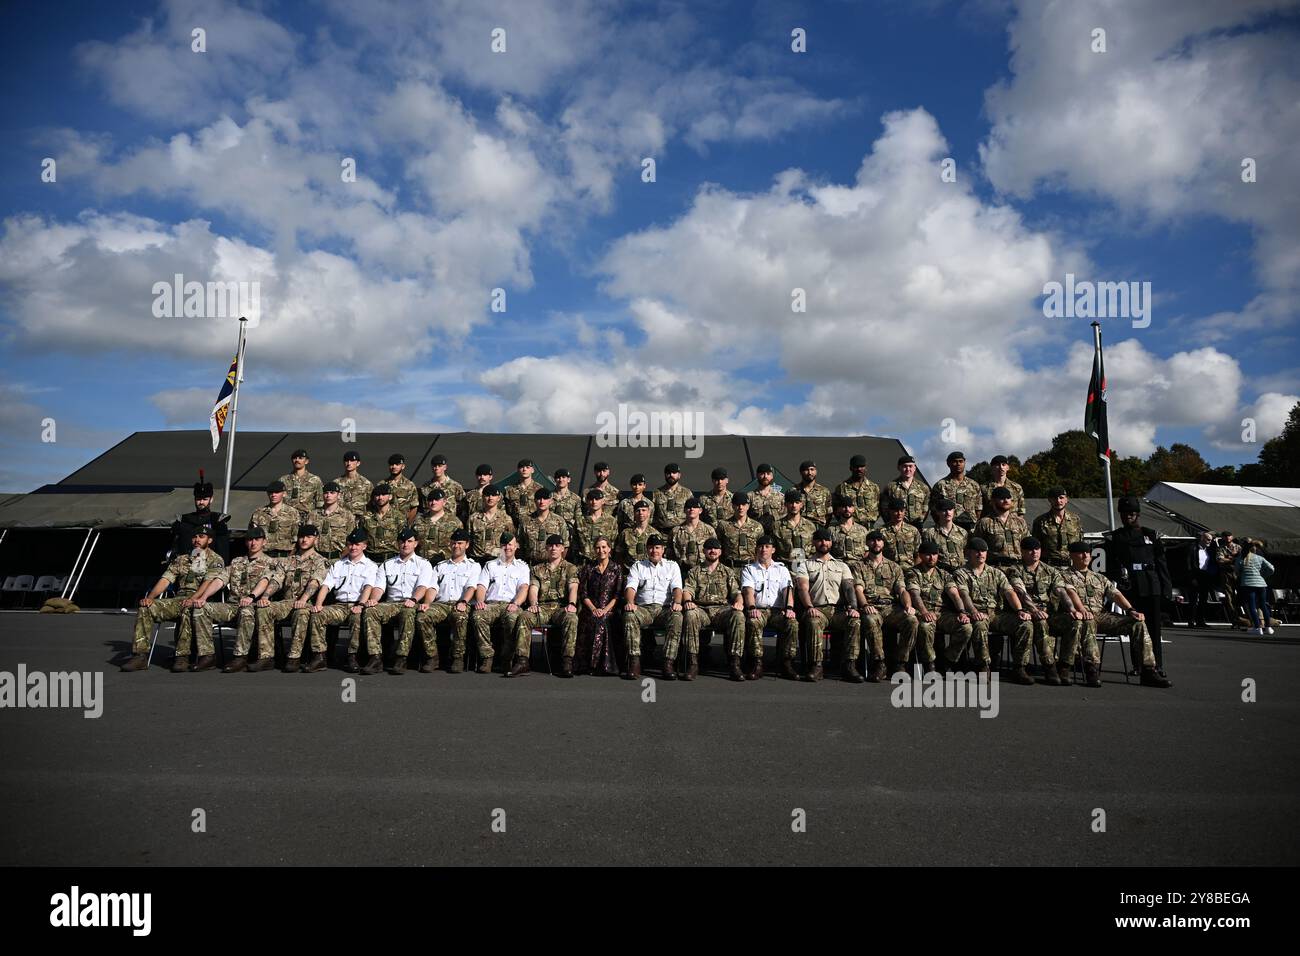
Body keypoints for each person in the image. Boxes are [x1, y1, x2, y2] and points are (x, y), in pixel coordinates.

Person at [1061, 541, 1172, 688]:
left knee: (1137, 624)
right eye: (1081, 552)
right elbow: (1070, 593)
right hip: (1080, 616)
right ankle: (1091, 668)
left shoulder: (1099, 578)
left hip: (1100, 615)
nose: (1085, 555)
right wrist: (1082, 610)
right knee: (1087, 622)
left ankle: (1148, 670)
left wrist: (1131, 610)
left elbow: (1115, 594)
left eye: (1087, 552)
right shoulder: (1064, 575)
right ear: (1072, 555)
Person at [120, 523, 225, 672]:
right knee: (146, 607)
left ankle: (182, 656)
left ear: (210, 540)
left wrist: (193, 598)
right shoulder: (181, 559)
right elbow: (166, 579)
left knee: (188, 607)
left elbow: (208, 584)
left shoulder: (215, 559)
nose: (197, 539)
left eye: (201, 537)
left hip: (201, 600)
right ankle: (140, 656)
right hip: (179, 598)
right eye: (194, 536)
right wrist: (150, 597)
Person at [945, 537, 1032, 683]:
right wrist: (973, 612)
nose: (981, 554)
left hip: (996, 614)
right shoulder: (961, 573)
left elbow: (1009, 592)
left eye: (983, 551)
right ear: (969, 553)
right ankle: (983, 666)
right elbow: (964, 595)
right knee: (979, 625)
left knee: (1025, 624)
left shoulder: (996, 573)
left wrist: (1020, 610)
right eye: (977, 551)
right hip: (975, 612)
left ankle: (1019, 667)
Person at [194, 526, 279, 672]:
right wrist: (204, 597)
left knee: (246, 611)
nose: (253, 543)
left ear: (264, 542)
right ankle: (207, 656)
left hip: (254, 606)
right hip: (232, 606)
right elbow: (220, 580)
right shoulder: (237, 562)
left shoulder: (272, 562)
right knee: (201, 608)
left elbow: (265, 580)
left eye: (257, 539)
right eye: (250, 540)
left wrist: (251, 597)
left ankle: (240, 657)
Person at [1104, 497, 1173, 675]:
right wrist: (1119, 576)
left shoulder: (1151, 534)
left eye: (1131, 514)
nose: (1128, 517)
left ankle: (1157, 665)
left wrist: (1167, 589)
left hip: (1151, 584)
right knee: (1134, 626)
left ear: (1138, 514)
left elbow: (1162, 563)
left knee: (1153, 629)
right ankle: (1137, 665)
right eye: (1124, 514)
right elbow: (1111, 565)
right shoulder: (1115, 537)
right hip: (1130, 585)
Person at [1005, 536, 1084, 686]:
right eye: (1030, 550)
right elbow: (1020, 592)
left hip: (1049, 613)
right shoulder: (1015, 570)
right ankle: (1049, 667)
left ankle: (1065, 666)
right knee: (1040, 622)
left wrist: (1072, 609)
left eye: (1037, 549)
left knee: (1075, 622)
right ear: (1022, 552)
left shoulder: (1050, 571)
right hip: (1028, 612)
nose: (1034, 552)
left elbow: (1061, 591)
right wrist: (1034, 610)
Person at [306, 528, 383, 673]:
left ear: (364, 546)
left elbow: (368, 587)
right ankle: (319, 656)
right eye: (350, 544)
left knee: (356, 617)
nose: (353, 547)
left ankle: (352, 656)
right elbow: (326, 586)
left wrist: (360, 604)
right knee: (317, 615)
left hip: (358, 604)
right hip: (339, 606)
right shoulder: (338, 565)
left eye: (357, 544)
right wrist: (318, 605)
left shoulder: (370, 566)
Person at [363, 527, 435, 675]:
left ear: (416, 544)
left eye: (409, 541)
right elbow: (379, 587)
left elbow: (423, 586)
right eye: (402, 541)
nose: (405, 544)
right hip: (391, 603)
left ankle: (401, 657)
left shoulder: (423, 564)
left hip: (411, 602)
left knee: (408, 612)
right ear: (397, 543)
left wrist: (414, 599)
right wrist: (373, 600)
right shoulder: (387, 564)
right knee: (370, 611)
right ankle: (375, 657)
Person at [848, 530, 917, 681]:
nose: (876, 543)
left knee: (912, 620)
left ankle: (900, 663)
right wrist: (865, 604)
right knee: (871, 620)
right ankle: (880, 664)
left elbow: (902, 590)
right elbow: (858, 589)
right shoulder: (859, 566)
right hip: (871, 606)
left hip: (891, 607)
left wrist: (908, 605)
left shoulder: (894, 567)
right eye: (872, 540)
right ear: (867, 543)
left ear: (883, 543)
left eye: (879, 540)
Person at [258, 524, 329, 672]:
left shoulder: (320, 561)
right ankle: (266, 657)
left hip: (307, 603)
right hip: (286, 602)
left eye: (309, 537)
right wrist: (265, 596)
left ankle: (294, 658)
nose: (304, 540)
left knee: (301, 612)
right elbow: (277, 580)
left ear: (316, 540)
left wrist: (303, 599)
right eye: (302, 537)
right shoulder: (287, 561)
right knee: (264, 609)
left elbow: (315, 582)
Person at [793, 528, 859, 682]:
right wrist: (809, 607)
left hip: (838, 610)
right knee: (814, 622)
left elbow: (849, 588)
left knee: (854, 621)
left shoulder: (842, 565)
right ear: (814, 542)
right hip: (818, 609)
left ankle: (850, 665)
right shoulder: (805, 565)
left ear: (831, 542)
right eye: (820, 540)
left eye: (827, 540)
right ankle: (817, 666)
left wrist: (853, 608)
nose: (824, 543)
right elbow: (803, 588)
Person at [410, 529, 478, 673]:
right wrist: (427, 603)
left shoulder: (473, 566)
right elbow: (433, 588)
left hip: (461, 603)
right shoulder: (440, 566)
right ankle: (432, 657)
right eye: (454, 543)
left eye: (460, 543)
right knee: (423, 617)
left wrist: (464, 602)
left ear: (467, 545)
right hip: (441, 604)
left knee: (460, 617)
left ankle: (457, 658)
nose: (456, 546)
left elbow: (471, 587)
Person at [513, 535, 580, 677]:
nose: (553, 548)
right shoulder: (538, 569)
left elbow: (573, 587)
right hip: (543, 607)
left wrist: (572, 604)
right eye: (550, 546)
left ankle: (567, 661)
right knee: (525, 616)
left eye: (557, 546)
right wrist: (533, 604)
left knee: (571, 618)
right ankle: (522, 661)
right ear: (546, 548)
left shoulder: (570, 568)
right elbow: (533, 588)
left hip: (561, 607)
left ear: (562, 548)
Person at [680, 537, 744, 681]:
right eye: (709, 548)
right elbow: (687, 590)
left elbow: (737, 593)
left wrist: (739, 603)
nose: (712, 551)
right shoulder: (695, 571)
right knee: (690, 614)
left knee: (738, 616)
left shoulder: (728, 572)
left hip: (722, 610)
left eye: (715, 548)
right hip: (702, 609)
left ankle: (735, 663)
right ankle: (693, 663)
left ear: (720, 552)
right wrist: (688, 601)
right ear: (704, 551)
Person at [622, 535, 684, 680]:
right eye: (650, 547)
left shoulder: (672, 566)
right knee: (630, 615)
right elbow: (631, 587)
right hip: (644, 609)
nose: (654, 551)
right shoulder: (638, 566)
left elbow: (677, 588)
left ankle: (668, 663)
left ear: (663, 550)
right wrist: (630, 602)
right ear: (646, 549)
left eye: (657, 548)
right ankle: (634, 662)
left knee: (677, 617)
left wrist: (677, 602)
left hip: (665, 609)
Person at [470, 532, 531, 674]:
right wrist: (480, 601)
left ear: (516, 546)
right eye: (504, 545)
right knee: (478, 616)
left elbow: (524, 588)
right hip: (491, 604)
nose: (507, 547)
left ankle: (506, 658)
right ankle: (487, 657)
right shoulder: (490, 565)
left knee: (512, 618)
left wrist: (516, 603)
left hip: (511, 604)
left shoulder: (522, 567)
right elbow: (481, 586)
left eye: (510, 544)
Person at [739, 536, 795, 681]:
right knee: (753, 621)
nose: (764, 549)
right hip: (759, 609)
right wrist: (751, 607)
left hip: (777, 610)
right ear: (756, 549)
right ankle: (757, 663)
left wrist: (789, 608)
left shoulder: (782, 569)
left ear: (773, 550)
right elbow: (748, 591)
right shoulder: (749, 569)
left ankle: (786, 663)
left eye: (767, 546)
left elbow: (787, 591)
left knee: (792, 623)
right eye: (761, 546)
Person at [905, 541, 955, 674]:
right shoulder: (913, 573)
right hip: (922, 612)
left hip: (942, 613)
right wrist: (925, 612)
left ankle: (948, 660)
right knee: (925, 626)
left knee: (965, 627)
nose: (931, 557)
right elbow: (915, 595)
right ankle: (929, 663)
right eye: (927, 554)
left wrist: (962, 612)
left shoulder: (943, 574)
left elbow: (954, 594)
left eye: (934, 554)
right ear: (920, 555)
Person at [576, 536, 623, 676]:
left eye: (604, 547)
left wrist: (605, 609)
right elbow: (583, 594)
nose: (601, 550)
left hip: (610, 609)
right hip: (591, 608)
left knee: (604, 620)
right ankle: (589, 665)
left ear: (609, 549)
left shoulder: (616, 569)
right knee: (592, 619)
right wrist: (594, 609)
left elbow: (617, 594)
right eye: (598, 547)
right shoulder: (588, 568)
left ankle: (605, 666)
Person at [171, 476, 230, 562]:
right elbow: (176, 547)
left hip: (210, 566)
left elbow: (223, 551)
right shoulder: (183, 519)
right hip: (185, 565)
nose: (201, 502)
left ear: (211, 499)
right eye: (198, 499)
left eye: (205, 499)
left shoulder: (217, 520)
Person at [975, 487, 1029, 567]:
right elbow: (977, 548)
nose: (1006, 500)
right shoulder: (985, 523)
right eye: (1002, 498)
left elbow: (1027, 545)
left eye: (1008, 498)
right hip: (996, 568)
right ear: (993, 501)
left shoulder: (1020, 522)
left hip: (1018, 567)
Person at [1031, 487, 1083, 568]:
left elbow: (1080, 543)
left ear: (1066, 499)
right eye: (1054, 498)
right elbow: (1035, 546)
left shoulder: (1075, 519)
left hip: (1072, 567)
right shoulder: (1040, 521)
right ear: (1049, 500)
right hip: (1049, 567)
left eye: (1061, 498)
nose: (1058, 501)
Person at [930, 451, 982, 531]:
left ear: (964, 463)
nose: (958, 464)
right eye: (955, 461)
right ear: (948, 464)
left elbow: (978, 509)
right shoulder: (940, 485)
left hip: (971, 528)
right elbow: (934, 510)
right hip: (949, 528)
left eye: (961, 461)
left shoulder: (974, 485)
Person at [411, 487, 463, 564]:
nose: (433, 502)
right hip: (421, 564)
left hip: (446, 565)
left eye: (437, 500)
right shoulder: (418, 521)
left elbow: (460, 546)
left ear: (444, 502)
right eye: (430, 500)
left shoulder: (454, 522)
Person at [1235, 539, 1276, 635]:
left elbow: (1237, 571)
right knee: (1263, 605)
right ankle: (1268, 628)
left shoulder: (1241, 558)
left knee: (1252, 606)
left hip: (1248, 584)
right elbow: (1271, 568)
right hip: (1261, 584)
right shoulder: (1259, 558)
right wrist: (1263, 575)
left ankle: (1257, 628)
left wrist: (1243, 575)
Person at [467, 485, 516, 562]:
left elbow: (511, 542)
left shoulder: (506, 519)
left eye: (493, 495)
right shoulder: (473, 518)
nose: (490, 498)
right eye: (487, 495)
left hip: (498, 561)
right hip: (477, 561)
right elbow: (468, 541)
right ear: (483, 497)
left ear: (499, 498)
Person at [310, 480, 357, 560]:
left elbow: (352, 540)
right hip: (316, 559)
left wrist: (341, 558)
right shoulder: (313, 515)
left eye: (332, 493)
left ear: (339, 495)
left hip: (338, 559)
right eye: (326, 493)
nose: (328, 495)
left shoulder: (347, 516)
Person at [359, 483, 404, 564]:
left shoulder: (399, 517)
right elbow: (361, 538)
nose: (380, 497)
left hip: (391, 560)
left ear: (390, 497)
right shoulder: (366, 517)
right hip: (370, 560)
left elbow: (403, 540)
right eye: (377, 495)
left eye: (383, 494)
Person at [250, 480, 297, 557]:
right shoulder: (258, 513)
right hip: (264, 555)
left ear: (284, 494)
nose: (273, 495)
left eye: (277, 492)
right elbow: (252, 537)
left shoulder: (293, 513)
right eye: (271, 492)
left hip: (285, 555)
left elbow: (296, 537)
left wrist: (290, 557)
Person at [572, 487, 618, 564]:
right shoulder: (580, 521)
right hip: (583, 563)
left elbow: (613, 544)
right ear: (586, 501)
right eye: (591, 499)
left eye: (597, 499)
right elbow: (575, 545)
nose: (594, 502)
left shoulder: (611, 521)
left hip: (603, 563)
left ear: (603, 501)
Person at [718, 492, 764, 569]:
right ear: (732, 506)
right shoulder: (723, 525)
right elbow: (719, 548)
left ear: (748, 506)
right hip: (730, 569)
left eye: (743, 504)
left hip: (751, 569)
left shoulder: (757, 527)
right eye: (737, 504)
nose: (740, 507)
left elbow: (761, 550)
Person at [834, 454, 881, 528]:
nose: (859, 469)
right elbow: (836, 510)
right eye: (856, 467)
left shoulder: (874, 488)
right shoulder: (841, 488)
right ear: (850, 468)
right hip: (851, 528)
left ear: (866, 468)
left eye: (862, 466)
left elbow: (879, 508)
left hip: (870, 528)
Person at [884, 455, 929, 531]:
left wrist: (921, 520)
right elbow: (884, 508)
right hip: (896, 527)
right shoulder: (891, 487)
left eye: (910, 466)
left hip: (917, 527)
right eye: (904, 466)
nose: (908, 469)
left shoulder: (923, 488)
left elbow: (926, 508)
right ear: (899, 468)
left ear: (915, 468)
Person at [772, 489, 817, 564]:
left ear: (801, 504)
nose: (794, 505)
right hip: (785, 567)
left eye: (797, 502)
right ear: (785, 504)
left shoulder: (810, 526)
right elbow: (773, 550)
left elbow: (814, 549)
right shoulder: (777, 526)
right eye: (791, 503)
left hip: (806, 566)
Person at [921, 498, 966, 572]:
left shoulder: (962, 533)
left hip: (960, 572)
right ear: (938, 512)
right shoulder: (930, 534)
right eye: (944, 510)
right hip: (940, 573)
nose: (948, 513)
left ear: (954, 511)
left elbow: (966, 552)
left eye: (950, 510)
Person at [1185, 531, 1218, 627]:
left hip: (1205, 576)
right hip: (1195, 575)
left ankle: (1200, 621)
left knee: (1203, 600)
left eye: (1211, 540)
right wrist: (1192, 578)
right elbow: (1188, 564)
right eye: (1208, 539)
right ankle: (1191, 621)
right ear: (1202, 538)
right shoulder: (1193, 548)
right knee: (1193, 600)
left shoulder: (1210, 550)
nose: (1209, 541)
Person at [416, 453, 464, 520]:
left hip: (449, 524)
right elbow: (422, 507)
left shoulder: (455, 486)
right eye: (434, 466)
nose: (436, 468)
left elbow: (463, 506)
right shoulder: (425, 487)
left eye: (440, 465)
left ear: (445, 467)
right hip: (430, 523)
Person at [279, 448, 324, 519]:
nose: (297, 460)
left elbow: (320, 502)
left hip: (307, 519)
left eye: (300, 458)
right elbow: (278, 501)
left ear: (306, 461)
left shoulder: (315, 480)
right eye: (294, 458)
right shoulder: (283, 480)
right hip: (288, 519)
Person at [670, 498, 713, 570]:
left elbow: (715, 552)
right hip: (682, 571)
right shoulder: (675, 531)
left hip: (703, 572)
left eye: (695, 507)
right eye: (688, 507)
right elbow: (670, 555)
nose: (691, 509)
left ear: (700, 511)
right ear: (684, 510)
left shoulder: (709, 530)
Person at [879, 496, 921, 567]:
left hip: (909, 569)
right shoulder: (881, 531)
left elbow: (918, 554)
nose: (899, 514)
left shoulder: (913, 531)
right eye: (896, 511)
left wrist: (915, 570)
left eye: (902, 511)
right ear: (890, 511)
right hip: (890, 569)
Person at [826, 494, 868, 562]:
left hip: (858, 566)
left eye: (850, 506)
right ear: (838, 509)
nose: (847, 509)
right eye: (843, 507)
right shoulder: (831, 530)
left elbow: (867, 551)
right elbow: (827, 551)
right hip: (839, 566)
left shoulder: (862, 530)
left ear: (853, 509)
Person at [1214, 530, 1244, 624]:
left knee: (1242, 594)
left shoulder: (1238, 547)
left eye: (1229, 536)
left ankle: (1244, 615)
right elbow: (1220, 560)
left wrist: (1229, 559)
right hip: (1226, 573)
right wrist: (1233, 559)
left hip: (1237, 573)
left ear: (1232, 537)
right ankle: (1235, 617)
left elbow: (1242, 559)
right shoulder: (1221, 548)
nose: (1227, 538)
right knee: (1229, 596)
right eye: (1225, 536)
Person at [653, 462, 693, 533]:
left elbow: (693, 514)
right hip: (661, 534)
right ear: (665, 475)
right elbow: (651, 515)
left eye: (674, 473)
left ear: (679, 475)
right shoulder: (656, 493)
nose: (671, 475)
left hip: (681, 533)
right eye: (668, 473)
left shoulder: (687, 493)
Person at [616, 499, 656, 568]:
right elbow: (619, 556)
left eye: (644, 510)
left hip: (648, 573)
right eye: (638, 510)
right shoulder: (626, 533)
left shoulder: (655, 534)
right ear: (634, 513)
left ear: (649, 513)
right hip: (629, 572)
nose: (641, 513)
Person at [747, 463, 785, 531]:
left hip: (775, 534)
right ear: (757, 475)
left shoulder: (780, 497)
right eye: (762, 474)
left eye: (768, 474)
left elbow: (785, 518)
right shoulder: (750, 496)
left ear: (772, 476)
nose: (765, 476)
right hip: (756, 534)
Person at [795, 460, 832, 527]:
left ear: (816, 471)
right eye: (806, 470)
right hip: (799, 528)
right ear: (801, 472)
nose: (809, 473)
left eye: (812, 469)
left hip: (818, 528)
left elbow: (829, 513)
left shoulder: (824, 491)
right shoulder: (793, 491)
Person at [504, 458, 541, 522]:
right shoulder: (509, 490)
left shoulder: (539, 489)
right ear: (518, 470)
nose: (524, 469)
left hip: (533, 527)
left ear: (532, 470)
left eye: (527, 467)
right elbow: (505, 511)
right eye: (521, 467)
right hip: (515, 527)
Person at [336, 451, 373, 515]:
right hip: (342, 521)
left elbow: (372, 505)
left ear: (358, 463)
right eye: (346, 460)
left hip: (360, 521)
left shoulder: (366, 484)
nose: (349, 463)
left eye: (352, 460)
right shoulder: (336, 483)